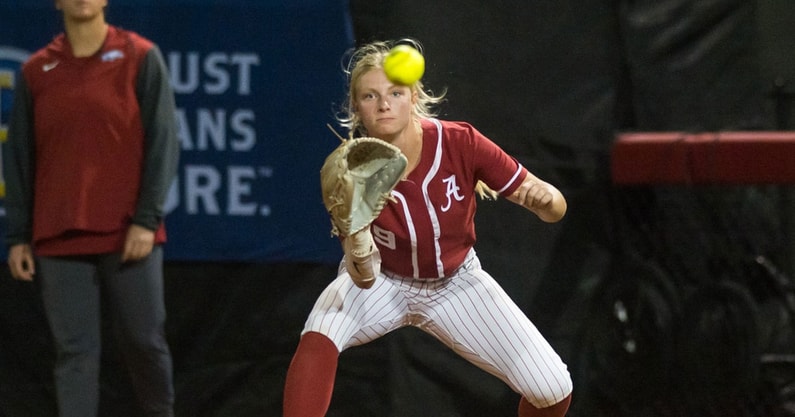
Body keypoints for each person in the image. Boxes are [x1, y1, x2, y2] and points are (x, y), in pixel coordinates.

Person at [283, 39, 573, 417]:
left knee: (553, 389)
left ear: (413, 96)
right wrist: (355, 244)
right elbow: (365, 277)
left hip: (456, 283)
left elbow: (555, 208)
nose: (384, 103)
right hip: (385, 280)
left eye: (395, 92)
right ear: (355, 107)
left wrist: (547, 198)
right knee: (320, 330)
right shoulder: (351, 170)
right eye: (370, 96)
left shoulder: (459, 142)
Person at [3, 1, 179, 416]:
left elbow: (163, 143)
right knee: (74, 354)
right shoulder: (35, 71)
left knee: (145, 342)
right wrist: (18, 236)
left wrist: (145, 219)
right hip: (57, 235)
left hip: (129, 233)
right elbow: (20, 159)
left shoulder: (139, 56)